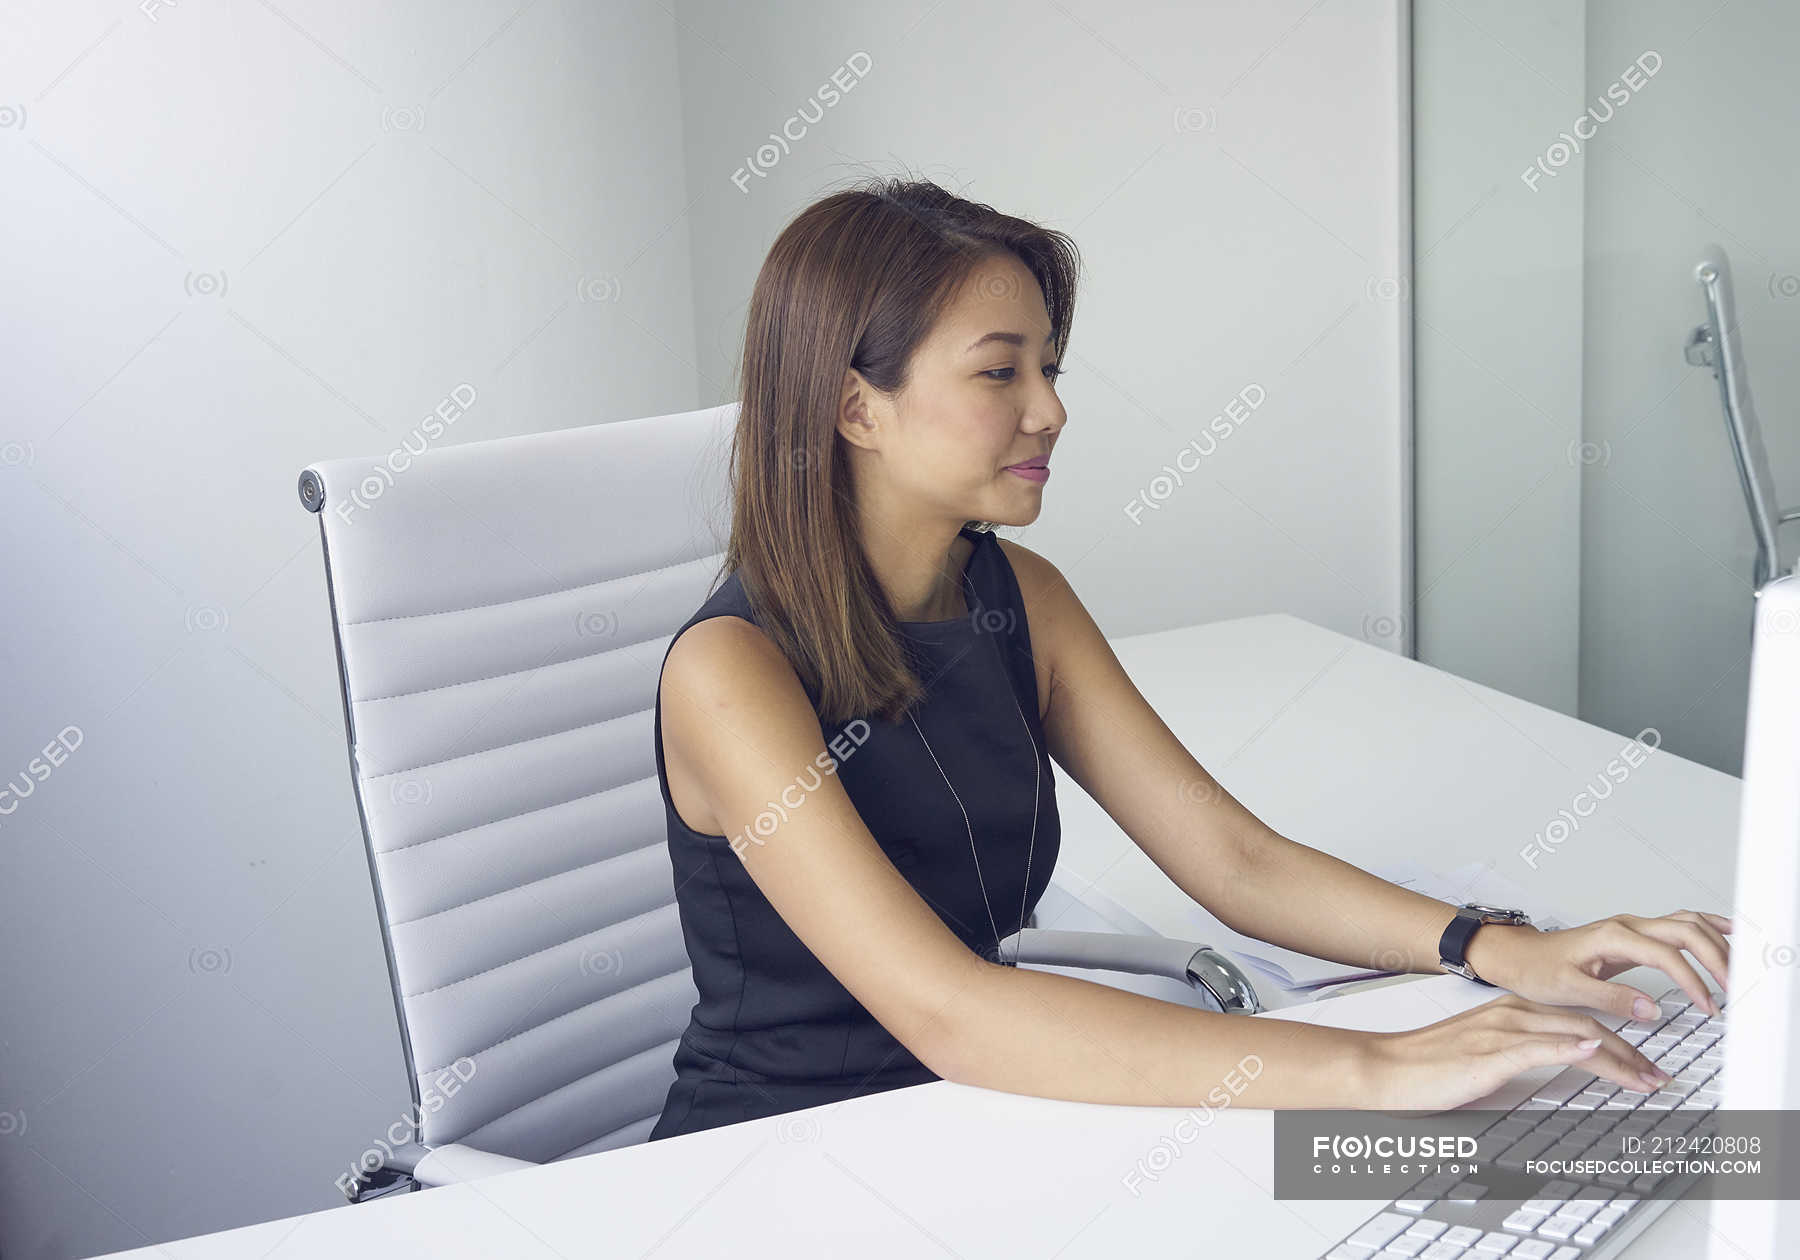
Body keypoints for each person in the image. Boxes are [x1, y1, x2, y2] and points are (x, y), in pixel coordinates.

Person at [646, 175, 1730, 1141]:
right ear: (854, 409)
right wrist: (1375, 1065)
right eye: (998, 373)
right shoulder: (732, 673)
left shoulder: (1019, 597)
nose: (1052, 409)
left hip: (980, 1115)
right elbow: (947, 1010)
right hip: (778, 1159)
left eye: (1052, 366)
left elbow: (1231, 861)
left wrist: (1487, 947)